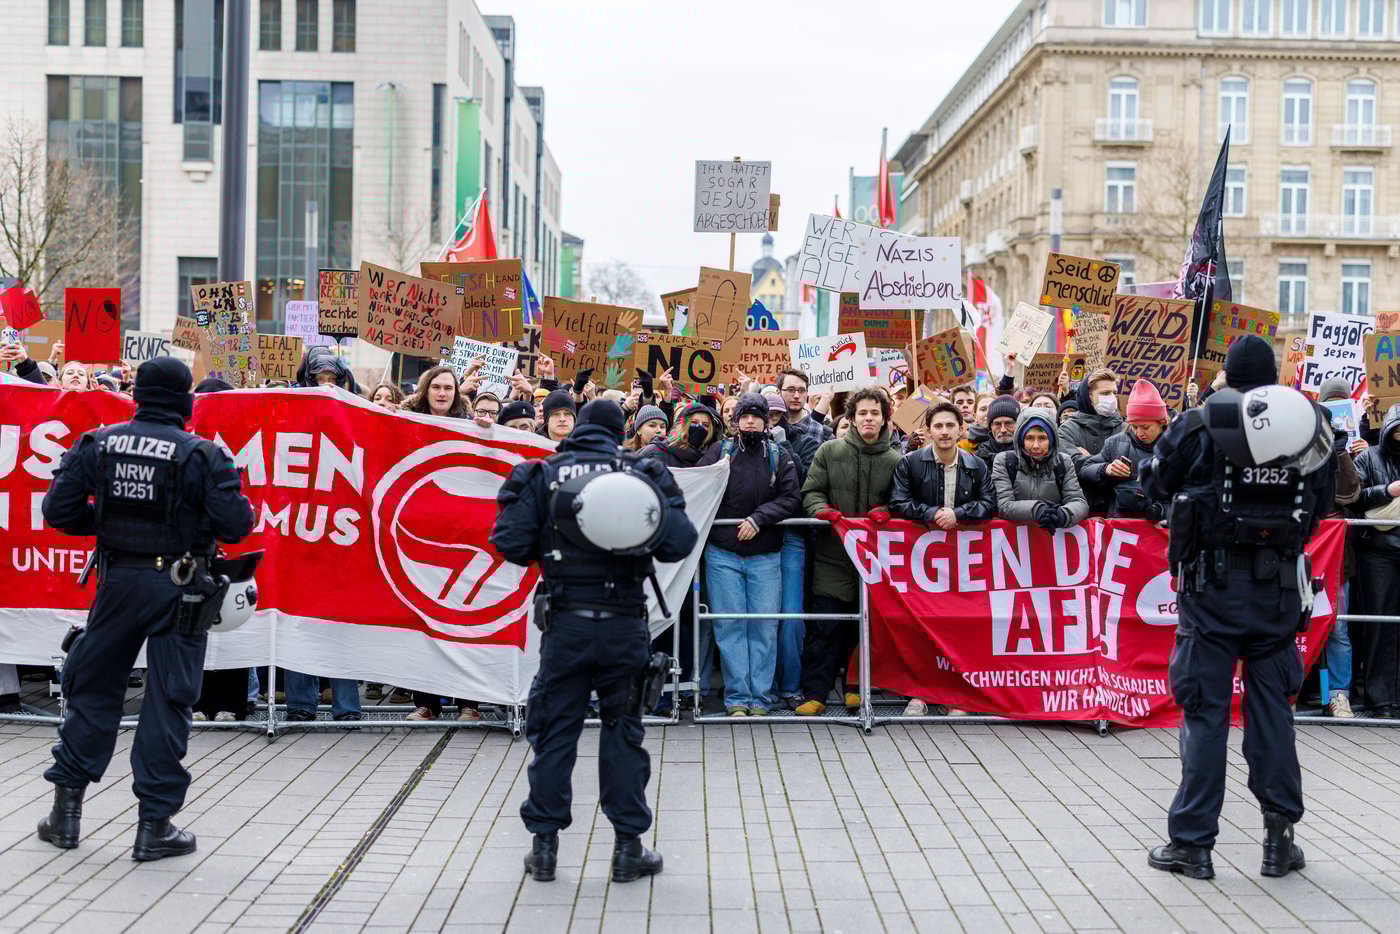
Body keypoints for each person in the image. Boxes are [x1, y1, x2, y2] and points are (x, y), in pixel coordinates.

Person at [37, 358, 254, 860]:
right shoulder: (203, 454)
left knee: (92, 687)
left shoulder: (98, 443)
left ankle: (66, 816)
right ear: (184, 399)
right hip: (182, 586)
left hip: (117, 583)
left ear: (139, 395)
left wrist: (106, 521)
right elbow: (235, 525)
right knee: (168, 698)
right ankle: (153, 827)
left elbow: (57, 512)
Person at [1140, 334, 1336, 881]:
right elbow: (1323, 501)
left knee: (1204, 715)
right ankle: (1279, 840)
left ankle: (1193, 845)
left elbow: (1154, 480)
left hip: (1210, 595)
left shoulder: (1202, 423)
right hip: (1277, 596)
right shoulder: (1311, 426)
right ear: (1274, 377)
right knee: (1272, 714)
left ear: (1227, 374)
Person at [491, 399, 698, 884]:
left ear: (576, 430)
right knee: (623, 733)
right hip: (625, 627)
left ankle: (544, 849)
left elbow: (511, 544)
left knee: (555, 732)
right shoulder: (642, 471)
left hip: (566, 627)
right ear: (620, 430)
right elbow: (680, 542)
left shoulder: (541, 474)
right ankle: (629, 850)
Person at [797, 388, 903, 716]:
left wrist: (888, 511)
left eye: (875, 413)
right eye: (862, 413)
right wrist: (821, 510)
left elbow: (902, 501)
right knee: (826, 627)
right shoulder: (829, 451)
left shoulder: (897, 460)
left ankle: (856, 688)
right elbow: (811, 490)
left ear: (885, 418)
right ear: (852, 418)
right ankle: (815, 693)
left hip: (875, 561)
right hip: (834, 554)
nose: (868, 419)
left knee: (865, 629)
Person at [696, 393, 801, 716]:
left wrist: (759, 519)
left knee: (764, 626)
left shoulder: (779, 455)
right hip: (723, 554)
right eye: (745, 415)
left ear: (768, 421)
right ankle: (738, 697)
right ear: (735, 420)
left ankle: (761, 697)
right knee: (730, 626)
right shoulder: (719, 452)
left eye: (757, 415)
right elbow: (698, 486)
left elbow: (791, 497)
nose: (751, 421)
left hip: (765, 555)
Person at [1316, 377, 1364, 719]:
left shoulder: (1344, 449)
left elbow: (1349, 493)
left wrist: (1342, 450)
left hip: (1336, 555)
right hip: (1302, 550)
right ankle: (1302, 692)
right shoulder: (1297, 445)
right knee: (1298, 624)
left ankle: (1337, 693)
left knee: (1338, 628)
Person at [1351, 400, 1400, 719]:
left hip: (1384, 547)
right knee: (1380, 623)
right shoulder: (1369, 457)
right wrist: (1389, 490)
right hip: (1379, 551)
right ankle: (1380, 699)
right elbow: (1354, 498)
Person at [1079, 380, 1171, 520]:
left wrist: (1159, 511)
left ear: (1161, 422)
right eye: (1134, 426)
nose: (1139, 433)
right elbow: (1085, 470)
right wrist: (1106, 469)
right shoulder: (1116, 442)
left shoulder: (1176, 448)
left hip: (1159, 530)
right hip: (1119, 527)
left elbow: (1187, 494)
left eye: (1145, 427)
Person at [992, 409, 1089, 531]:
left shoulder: (1063, 461)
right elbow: (1004, 506)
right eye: (1029, 438)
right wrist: (1038, 510)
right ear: (1021, 440)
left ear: (1052, 440)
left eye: (1043, 438)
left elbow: (1078, 502)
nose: (1036, 445)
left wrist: (1062, 515)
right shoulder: (1005, 461)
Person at [1058, 368, 1121, 465]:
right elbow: (1071, 466)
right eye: (1105, 393)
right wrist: (1109, 466)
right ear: (1088, 396)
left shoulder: (1125, 429)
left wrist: (1089, 459)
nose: (1112, 397)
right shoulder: (1067, 430)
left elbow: (1131, 468)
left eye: (1114, 393)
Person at [402, 365, 471, 419]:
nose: (442, 394)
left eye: (448, 388)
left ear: (455, 393)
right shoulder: (405, 419)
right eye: (436, 387)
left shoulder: (470, 423)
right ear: (426, 392)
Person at [975, 395, 1020, 470]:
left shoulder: (1030, 453)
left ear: (1018, 423)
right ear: (991, 426)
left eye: (1009, 423)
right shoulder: (977, 458)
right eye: (997, 424)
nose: (1003, 430)